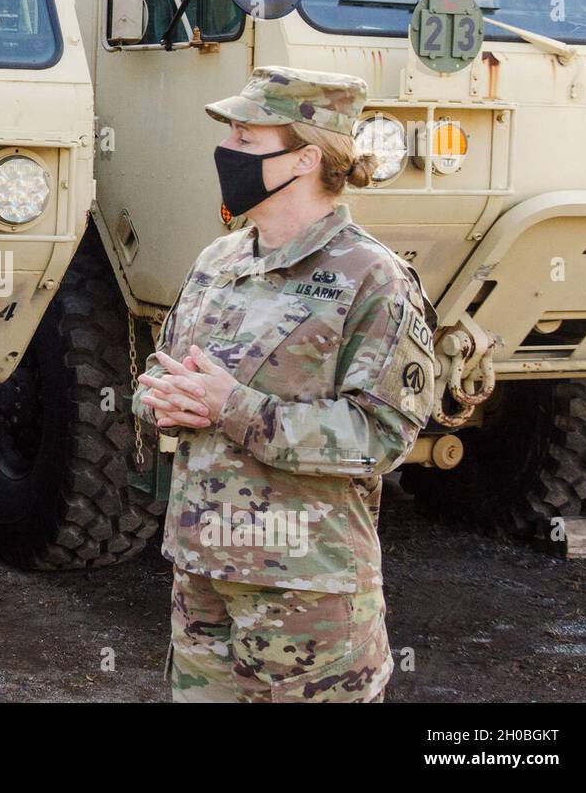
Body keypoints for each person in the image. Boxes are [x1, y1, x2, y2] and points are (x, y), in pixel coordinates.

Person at [133, 66, 436, 702]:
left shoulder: (372, 277)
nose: (227, 152)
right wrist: (159, 401)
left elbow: (381, 436)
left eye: (246, 139)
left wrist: (232, 408)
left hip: (308, 593)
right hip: (202, 576)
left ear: (304, 156)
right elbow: (165, 371)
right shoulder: (218, 260)